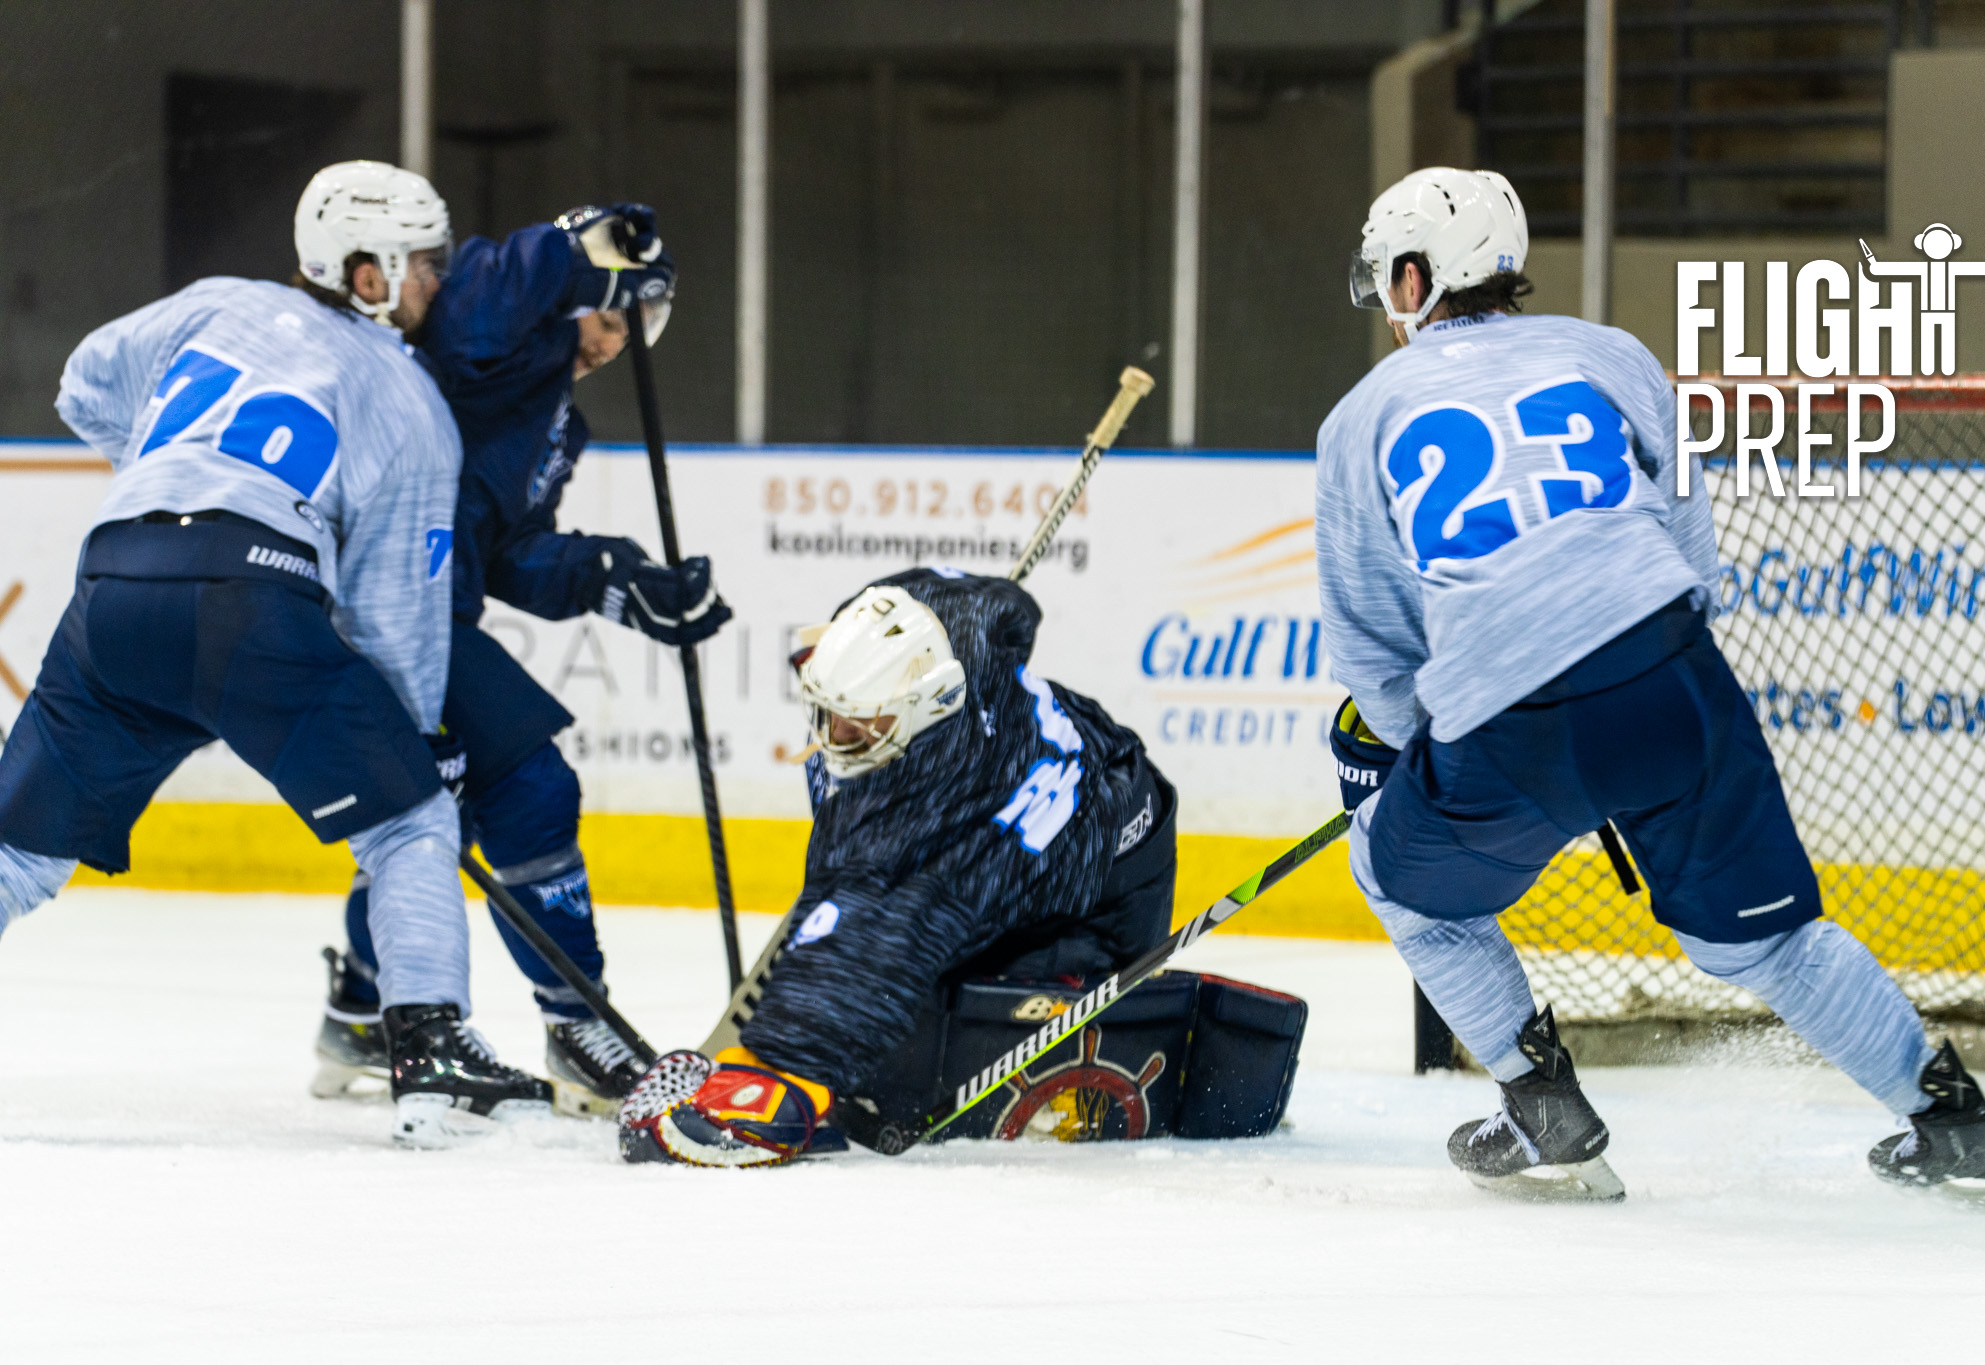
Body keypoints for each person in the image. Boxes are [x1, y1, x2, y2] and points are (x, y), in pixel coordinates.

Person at [1315, 165, 1985, 1205]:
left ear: (1420, 277)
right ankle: (1949, 1120)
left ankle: (1538, 1107)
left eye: (1390, 279)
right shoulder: (1610, 355)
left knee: (1399, 882)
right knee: (1766, 940)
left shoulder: (1358, 420)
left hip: (1508, 723)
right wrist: (1629, 707)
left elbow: (1373, 652)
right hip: (1670, 675)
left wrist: (1408, 752)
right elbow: (1691, 560)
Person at [0, 160, 553, 1147]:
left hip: (114, 579)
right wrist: (417, 733)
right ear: (368, 271)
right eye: (422, 262)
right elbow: (394, 609)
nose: (435, 281)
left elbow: (86, 379)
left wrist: (175, 472)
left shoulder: (216, 305)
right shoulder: (409, 401)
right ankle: (430, 1056)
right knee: (410, 822)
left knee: (22, 851)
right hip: (249, 599)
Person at [614, 568, 1306, 1167]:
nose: (834, 739)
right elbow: (977, 599)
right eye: (829, 715)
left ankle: (1074, 995)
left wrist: (777, 1080)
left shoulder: (963, 822)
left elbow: (885, 934)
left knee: (1017, 1009)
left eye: (858, 724)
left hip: (1110, 866)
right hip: (1083, 782)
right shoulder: (949, 635)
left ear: (926, 707)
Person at [309, 202, 731, 1117]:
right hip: (380, 608)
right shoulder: (483, 346)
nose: (618, 344)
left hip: (427, 615)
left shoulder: (551, 422)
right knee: (528, 784)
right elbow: (486, 292)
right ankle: (578, 1024)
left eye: (638, 330)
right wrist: (573, 246)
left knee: (432, 819)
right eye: (614, 317)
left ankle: (357, 1010)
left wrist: (621, 577)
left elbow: (511, 556)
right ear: (575, 297)